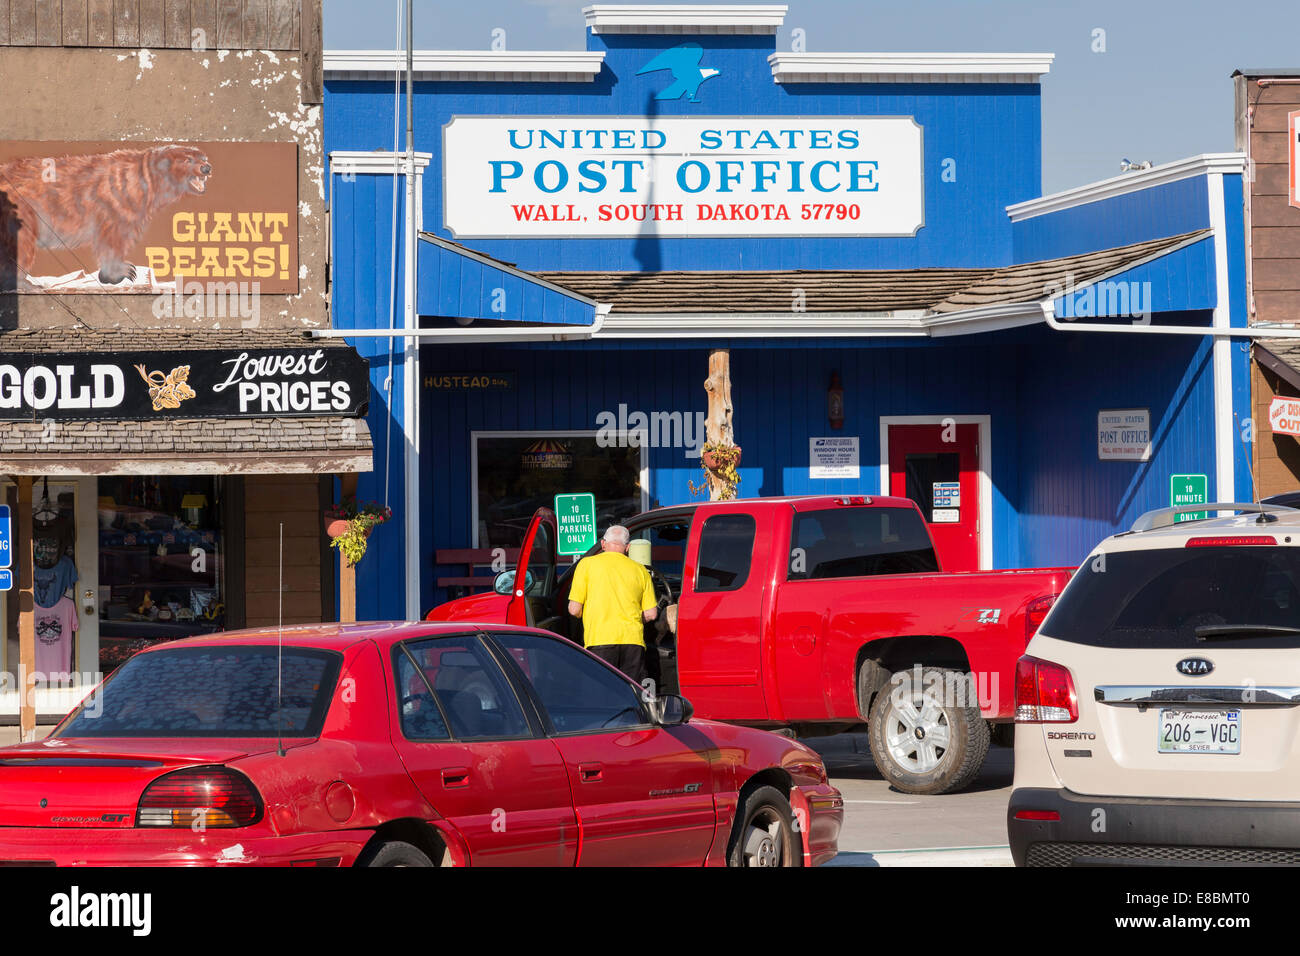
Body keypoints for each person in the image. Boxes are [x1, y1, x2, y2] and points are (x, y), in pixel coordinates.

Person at [568, 525, 657, 684]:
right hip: (633, 642)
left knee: (603, 693)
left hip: (599, 640)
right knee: (633, 692)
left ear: (603, 544)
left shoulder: (586, 565)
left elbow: (574, 609)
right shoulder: (640, 570)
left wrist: (590, 615)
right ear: (628, 547)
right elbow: (651, 614)